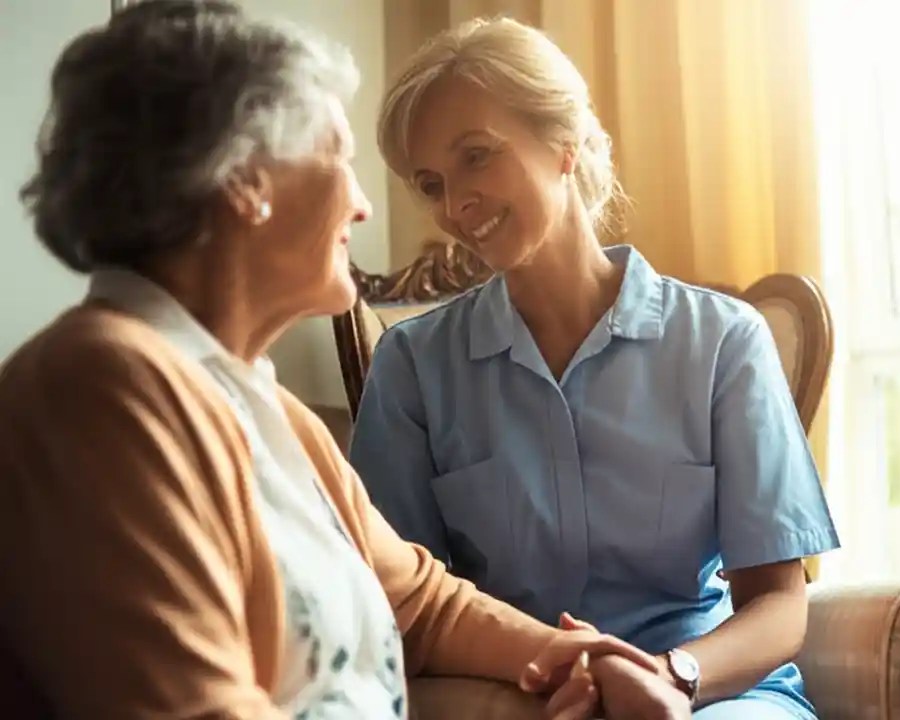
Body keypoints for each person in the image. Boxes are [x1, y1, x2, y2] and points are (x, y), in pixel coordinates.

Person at [0, 2, 688, 718]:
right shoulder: (99, 391)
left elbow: (423, 606)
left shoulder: (263, 405)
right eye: (339, 158)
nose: (363, 206)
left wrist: (591, 661)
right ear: (245, 180)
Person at [352, 17, 841, 719]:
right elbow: (400, 606)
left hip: (713, 694)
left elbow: (778, 604)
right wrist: (566, 682)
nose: (456, 206)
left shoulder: (724, 343)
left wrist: (672, 679)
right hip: (515, 696)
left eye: (478, 157)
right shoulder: (411, 368)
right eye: (431, 184)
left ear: (564, 143)